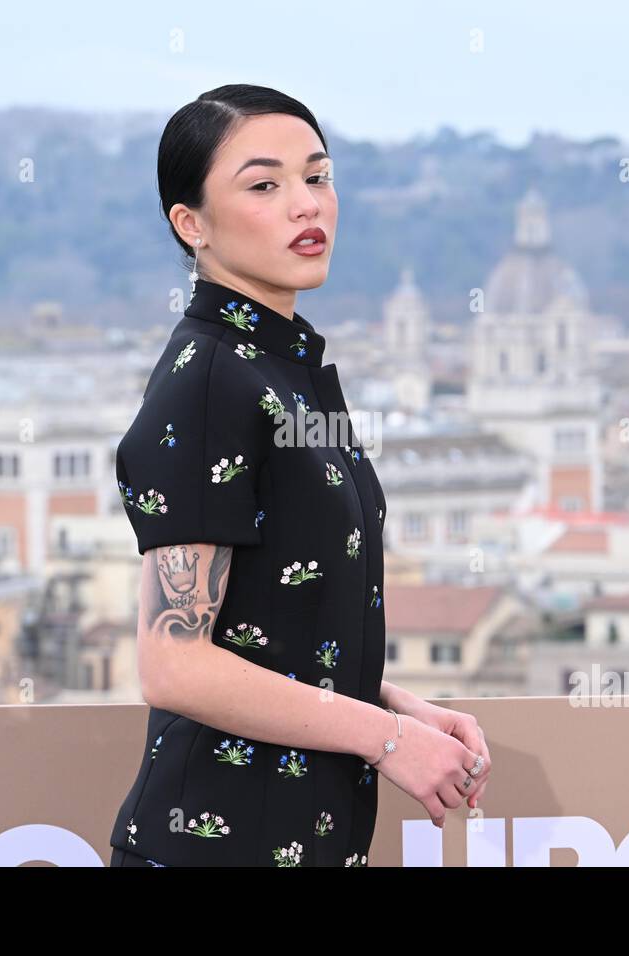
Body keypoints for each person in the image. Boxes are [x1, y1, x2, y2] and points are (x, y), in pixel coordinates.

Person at [108, 84, 491, 867]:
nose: (304, 205)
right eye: (263, 185)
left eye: (316, 176)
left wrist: (394, 706)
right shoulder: (211, 382)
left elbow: (270, 632)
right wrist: (386, 740)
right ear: (192, 225)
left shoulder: (282, 369)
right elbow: (174, 660)